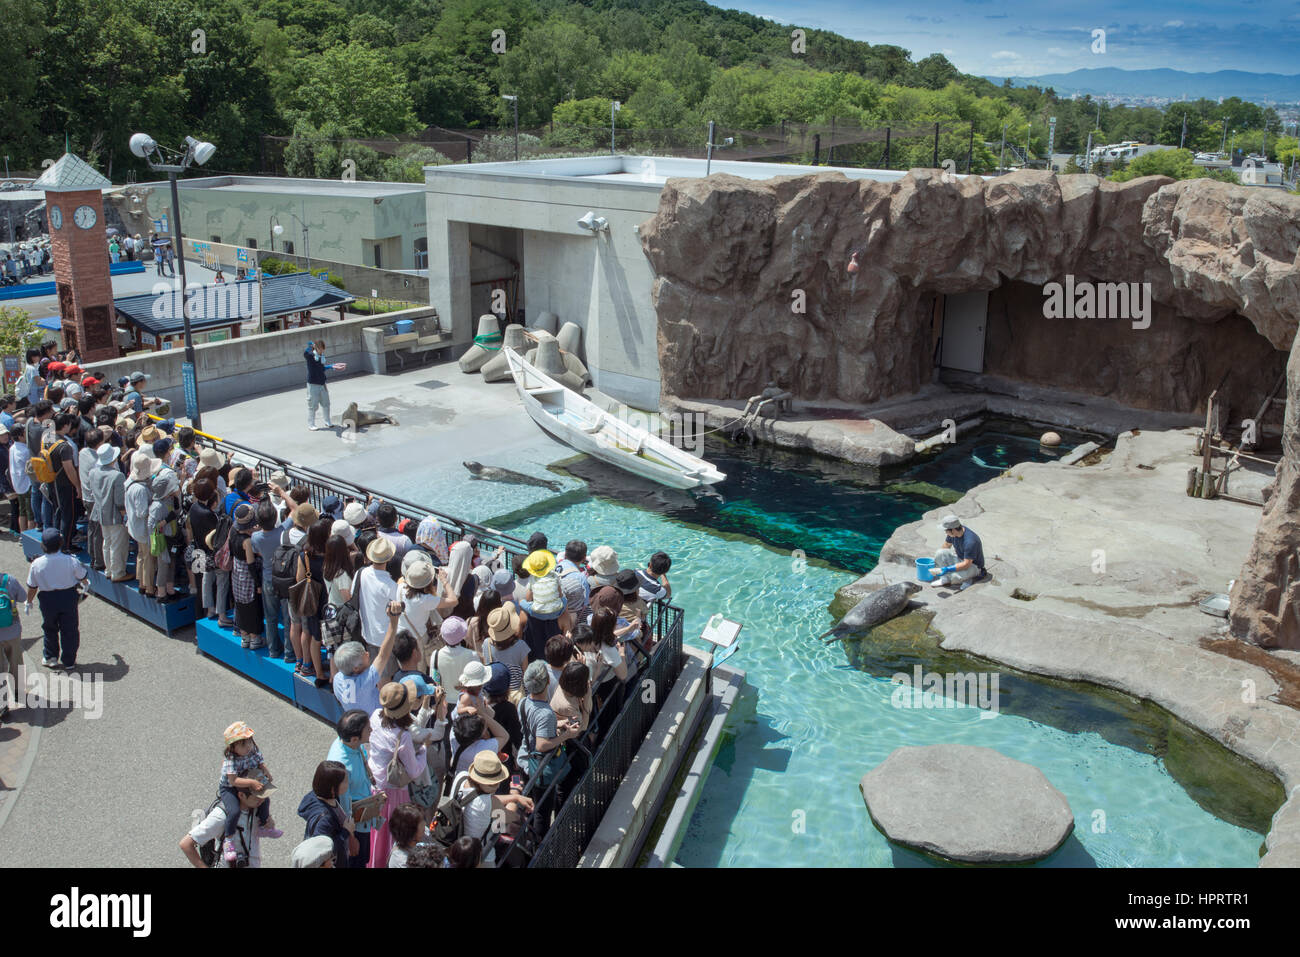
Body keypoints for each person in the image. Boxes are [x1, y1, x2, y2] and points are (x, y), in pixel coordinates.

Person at [366, 679, 432, 868]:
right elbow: (414, 770)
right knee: (391, 835)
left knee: (375, 833)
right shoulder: (402, 736)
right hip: (394, 791)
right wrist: (424, 750)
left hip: (374, 784)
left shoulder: (375, 716)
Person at [449, 751, 533, 867]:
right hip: (481, 856)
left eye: (498, 782)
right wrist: (515, 792)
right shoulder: (485, 803)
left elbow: (485, 796)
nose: (498, 786)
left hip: (456, 846)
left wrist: (514, 797)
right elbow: (508, 818)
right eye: (492, 784)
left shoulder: (461, 777)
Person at [217, 721, 280, 867]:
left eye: (249, 742)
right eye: (243, 745)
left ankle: (263, 825)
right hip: (231, 787)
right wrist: (251, 783)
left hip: (249, 778)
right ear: (232, 747)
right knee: (234, 811)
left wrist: (267, 773)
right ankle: (229, 840)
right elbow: (233, 781)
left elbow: (261, 763)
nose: (248, 747)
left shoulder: (252, 750)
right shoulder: (230, 759)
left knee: (265, 799)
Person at [25, 529, 86, 670]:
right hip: (68, 598)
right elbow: (82, 577)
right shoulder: (71, 560)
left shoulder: (36, 564)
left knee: (49, 627)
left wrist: (29, 601)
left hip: (47, 599)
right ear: (60, 543)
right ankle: (69, 660)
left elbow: (32, 587)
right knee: (70, 629)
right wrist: (86, 587)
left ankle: (50, 657)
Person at [331, 599, 402, 714]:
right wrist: (393, 622)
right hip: (372, 725)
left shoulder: (338, 679)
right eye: (364, 655)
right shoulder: (365, 682)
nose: (368, 653)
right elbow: (383, 655)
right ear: (355, 668)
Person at [327, 709, 376, 868]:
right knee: (357, 862)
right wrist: (351, 838)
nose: (372, 730)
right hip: (356, 825)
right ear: (355, 738)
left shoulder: (350, 743)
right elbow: (342, 808)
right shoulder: (340, 764)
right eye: (368, 729)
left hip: (363, 815)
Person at [181, 784, 268, 868]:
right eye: (257, 798)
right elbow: (186, 844)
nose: (262, 800)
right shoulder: (221, 816)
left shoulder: (257, 807)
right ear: (241, 795)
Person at [298, 760, 353, 869]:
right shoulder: (325, 819)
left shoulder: (325, 796)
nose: (349, 783)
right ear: (333, 788)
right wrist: (345, 832)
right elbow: (321, 852)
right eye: (345, 781)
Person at [355, 537, 398, 671]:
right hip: (385, 638)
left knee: (376, 674)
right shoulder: (391, 585)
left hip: (367, 632)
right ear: (389, 558)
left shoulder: (361, 573)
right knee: (383, 679)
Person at [87, 442, 127, 580]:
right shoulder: (117, 475)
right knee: (117, 545)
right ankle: (118, 573)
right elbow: (120, 502)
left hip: (100, 513)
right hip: (115, 515)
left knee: (107, 543)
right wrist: (125, 517)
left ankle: (109, 570)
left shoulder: (93, 472)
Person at [230, 503, 266, 649]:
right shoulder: (247, 541)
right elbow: (251, 565)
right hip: (247, 577)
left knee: (240, 605)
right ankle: (254, 638)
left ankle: (244, 637)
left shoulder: (233, 531)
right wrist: (258, 584)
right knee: (252, 607)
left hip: (236, 573)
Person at [396, 558, 443, 668]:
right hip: (418, 638)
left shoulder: (400, 587)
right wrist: (444, 581)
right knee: (419, 667)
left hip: (400, 634)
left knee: (404, 666)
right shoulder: (426, 599)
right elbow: (453, 600)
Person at [44, 412, 81, 552]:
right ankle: (65, 545)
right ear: (65, 426)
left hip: (51, 481)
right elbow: (69, 469)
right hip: (64, 485)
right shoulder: (64, 446)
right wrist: (77, 485)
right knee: (67, 515)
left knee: (58, 512)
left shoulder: (47, 438)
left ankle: (56, 542)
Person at [124, 454, 156, 595]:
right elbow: (142, 512)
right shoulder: (141, 490)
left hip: (134, 527)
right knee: (148, 558)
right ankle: (149, 587)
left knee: (141, 555)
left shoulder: (129, 483)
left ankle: (142, 583)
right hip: (143, 528)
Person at [482, 602, 531, 692]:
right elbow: (526, 676)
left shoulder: (486, 643)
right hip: (515, 695)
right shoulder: (521, 646)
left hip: (494, 693)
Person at [930, 514, 986, 589]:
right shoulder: (953, 534)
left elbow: (966, 564)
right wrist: (936, 560)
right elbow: (946, 545)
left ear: (953, 530)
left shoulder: (970, 541)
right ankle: (945, 579)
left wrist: (947, 569)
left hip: (973, 566)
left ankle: (970, 578)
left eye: (946, 531)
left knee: (955, 577)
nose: (945, 532)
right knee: (939, 553)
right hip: (960, 559)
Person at [304, 339, 343, 431]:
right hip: (313, 384)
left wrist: (332, 366)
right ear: (316, 348)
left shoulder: (321, 357)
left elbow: (321, 368)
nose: (322, 351)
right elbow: (305, 352)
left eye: (323, 350)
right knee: (313, 405)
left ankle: (327, 421)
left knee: (326, 404)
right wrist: (311, 345)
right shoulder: (310, 356)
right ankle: (311, 424)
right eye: (320, 349)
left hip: (322, 383)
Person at [431, 616, 475, 693]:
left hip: (444, 702)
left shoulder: (435, 655)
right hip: (467, 701)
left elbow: (435, 681)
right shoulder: (472, 655)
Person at [558, 540, 591, 624]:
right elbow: (585, 603)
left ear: (565, 555)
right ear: (584, 558)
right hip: (570, 616)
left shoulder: (557, 567)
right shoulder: (581, 577)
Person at [7, 424, 31, 533]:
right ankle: (30, 536)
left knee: (22, 511)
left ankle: (23, 535)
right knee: (31, 514)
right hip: (27, 484)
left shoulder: (12, 448)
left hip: (17, 484)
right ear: (21, 436)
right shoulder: (25, 451)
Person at [386, 803, 423, 868]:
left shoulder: (411, 844)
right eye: (421, 822)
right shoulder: (401, 859)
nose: (425, 825)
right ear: (411, 830)